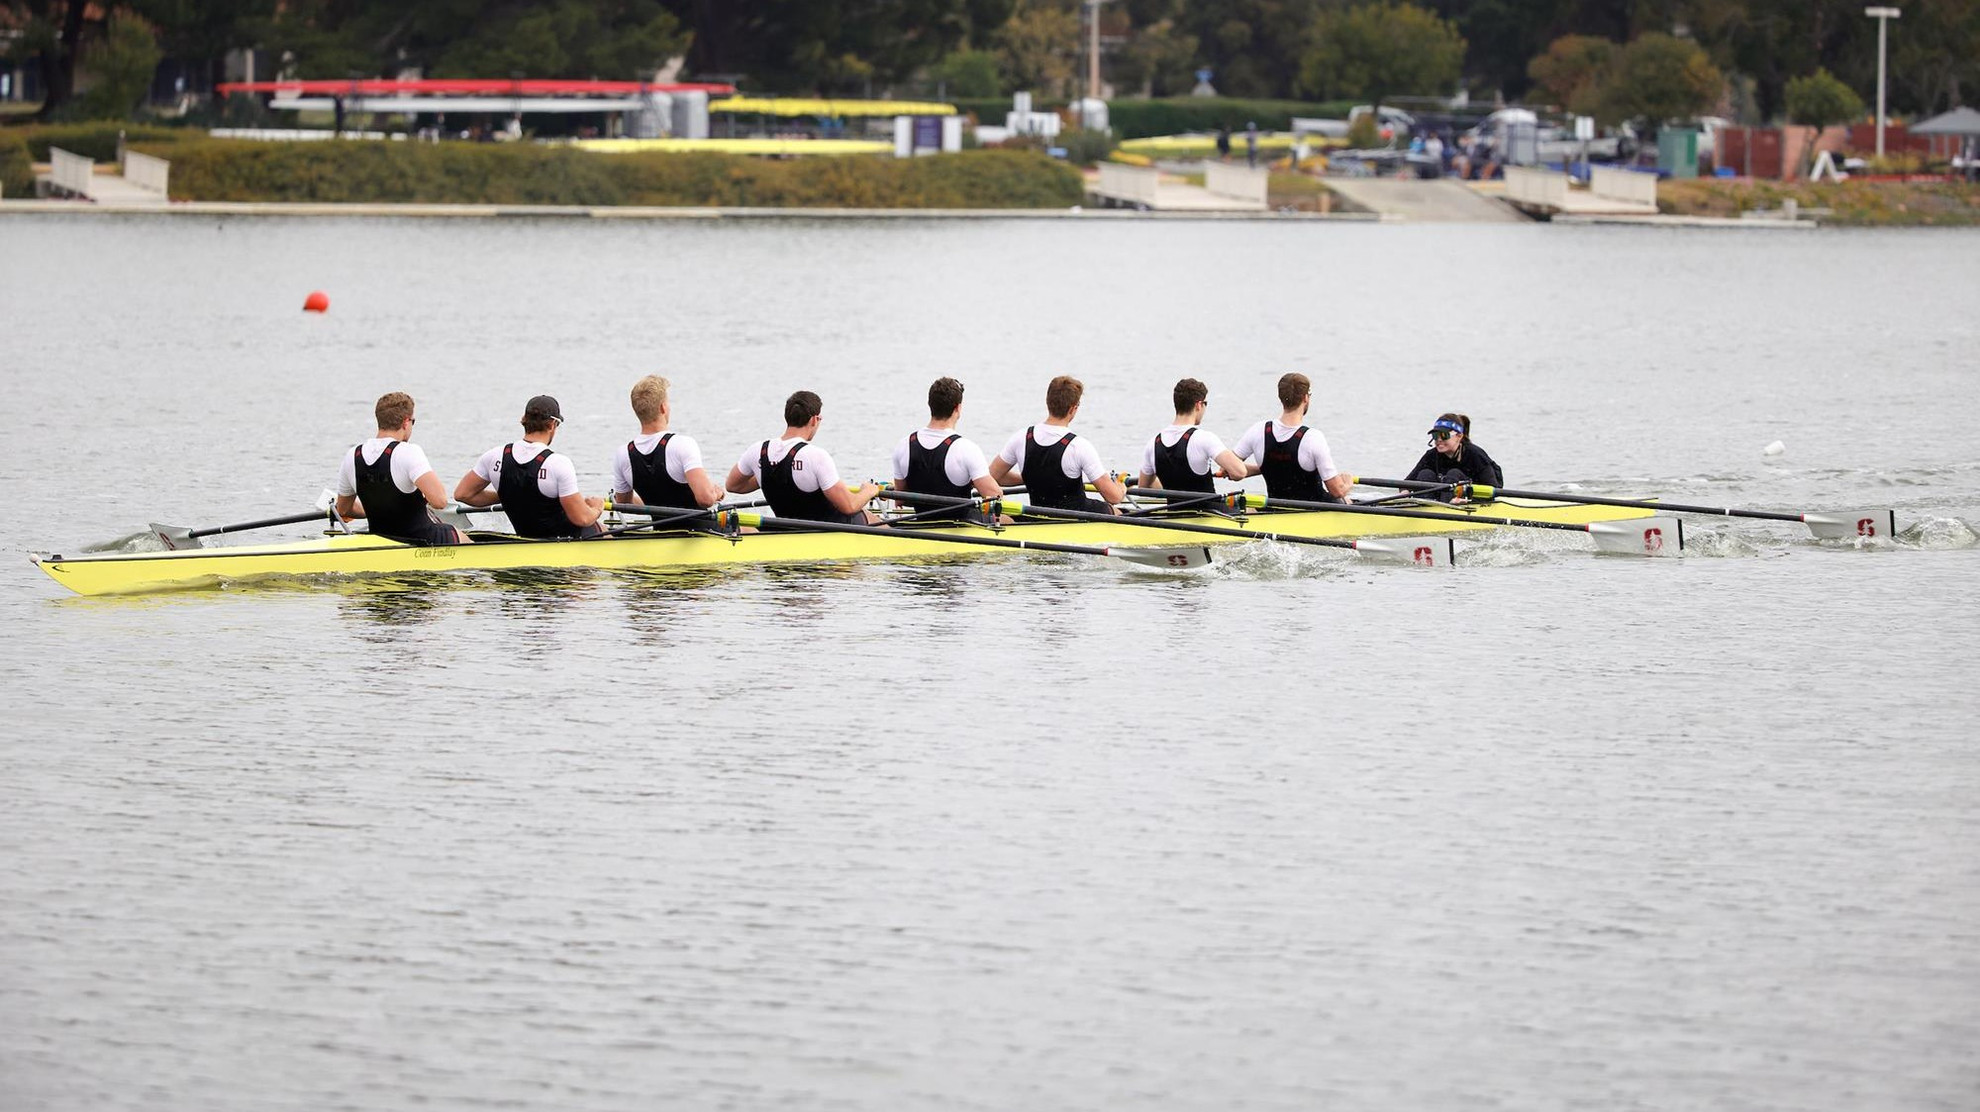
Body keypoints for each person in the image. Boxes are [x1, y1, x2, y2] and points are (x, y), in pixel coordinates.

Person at [454, 395, 606, 538]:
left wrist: (512, 494)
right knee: (600, 528)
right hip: (565, 541)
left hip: (526, 539)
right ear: (552, 425)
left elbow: (463, 494)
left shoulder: (494, 456)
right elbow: (583, 519)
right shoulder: (559, 463)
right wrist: (597, 508)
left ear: (524, 420)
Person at [725, 390, 883, 524]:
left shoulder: (757, 450)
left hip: (788, 529)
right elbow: (849, 505)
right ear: (814, 420)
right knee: (864, 512)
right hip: (829, 530)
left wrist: (769, 476)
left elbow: (733, 486)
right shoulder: (816, 456)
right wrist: (869, 490)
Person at [334, 391, 468, 545]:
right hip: (423, 540)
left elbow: (343, 510)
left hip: (381, 540)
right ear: (406, 422)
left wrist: (379, 508)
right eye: (413, 422)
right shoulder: (408, 451)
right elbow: (440, 501)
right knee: (464, 538)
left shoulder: (352, 455)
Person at [989, 375, 1126, 515]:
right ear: (1073, 409)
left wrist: (1034, 479)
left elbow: (993, 476)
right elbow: (1113, 497)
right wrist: (1121, 487)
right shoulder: (1079, 446)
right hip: (1077, 518)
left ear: (1047, 402)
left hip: (1040, 517)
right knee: (1120, 512)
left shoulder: (1021, 438)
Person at [890, 376, 1002, 521]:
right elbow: (995, 497)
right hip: (961, 529)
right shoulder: (966, 449)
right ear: (958, 408)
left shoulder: (903, 445)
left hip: (922, 525)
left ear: (929, 404)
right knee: (1008, 519)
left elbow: (901, 499)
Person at [1231, 373, 1352, 503]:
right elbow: (1337, 491)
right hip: (1315, 511)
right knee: (1346, 499)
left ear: (1280, 397)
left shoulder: (1258, 430)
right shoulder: (1313, 437)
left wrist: (1267, 467)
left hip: (1276, 509)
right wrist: (1348, 483)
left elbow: (1229, 468)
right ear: (1306, 398)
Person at [610, 375, 724, 511]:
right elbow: (705, 500)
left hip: (661, 530)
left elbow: (624, 504)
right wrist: (716, 493)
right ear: (663, 408)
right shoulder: (683, 444)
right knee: (750, 530)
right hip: (702, 529)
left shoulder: (623, 454)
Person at [1137, 378, 1248, 501]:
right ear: (1198, 405)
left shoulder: (1153, 443)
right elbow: (1240, 472)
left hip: (1173, 516)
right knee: (1251, 510)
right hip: (1209, 515)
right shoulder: (1204, 438)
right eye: (1206, 404)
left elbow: (1143, 487)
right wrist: (1230, 470)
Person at [1407, 413, 1504, 497]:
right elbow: (1407, 483)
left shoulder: (1475, 454)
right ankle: (1425, 507)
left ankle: (1446, 506)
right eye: (1435, 436)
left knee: (1454, 474)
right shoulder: (1431, 455)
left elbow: (1493, 488)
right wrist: (1404, 492)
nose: (1439, 440)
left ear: (1459, 436)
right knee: (1425, 474)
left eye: (1444, 435)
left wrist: (1466, 497)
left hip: (1471, 500)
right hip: (1440, 500)